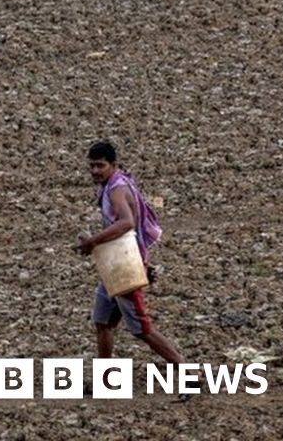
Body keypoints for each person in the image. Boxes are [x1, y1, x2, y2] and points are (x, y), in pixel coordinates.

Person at [73, 140, 194, 402]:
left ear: (112, 165)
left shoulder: (116, 189)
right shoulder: (112, 184)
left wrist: (93, 241)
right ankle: (106, 381)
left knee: (141, 327)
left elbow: (127, 223)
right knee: (103, 322)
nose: (95, 171)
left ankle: (187, 373)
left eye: (100, 166)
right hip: (113, 262)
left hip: (125, 264)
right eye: (92, 166)